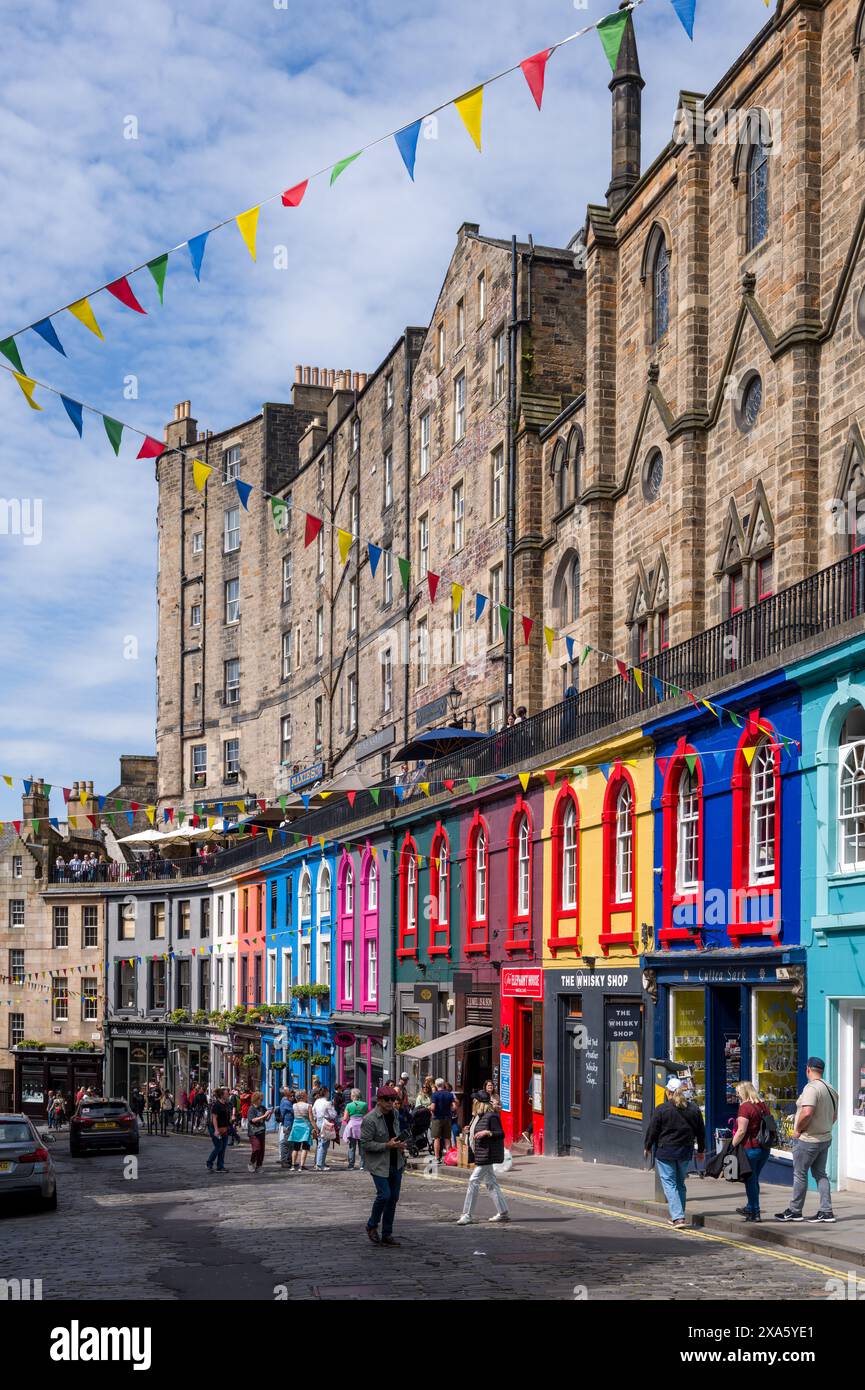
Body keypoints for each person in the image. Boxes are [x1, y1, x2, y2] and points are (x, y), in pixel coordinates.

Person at [775, 1057, 839, 1224]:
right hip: (824, 1138)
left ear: (808, 1069)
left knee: (800, 1174)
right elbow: (834, 1116)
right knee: (820, 1174)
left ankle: (795, 1211)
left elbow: (807, 1112)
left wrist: (798, 1130)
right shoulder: (831, 1088)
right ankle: (826, 1211)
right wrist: (822, 1127)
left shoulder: (811, 1088)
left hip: (808, 1139)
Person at [643, 1077, 706, 1228]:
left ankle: (678, 1217)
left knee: (670, 1184)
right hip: (685, 1151)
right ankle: (678, 1215)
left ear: (668, 1092)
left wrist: (647, 1146)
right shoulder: (693, 1109)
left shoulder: (662, 1109)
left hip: (666, 1152)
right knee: (680, 1183)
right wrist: (701, 1150)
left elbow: (653, 1130)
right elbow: (701, 1132)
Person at [360, 1086, 406, 1246]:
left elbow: (396, 1134)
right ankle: (372, 1225)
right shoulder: (370, 1119)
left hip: (396, 1161)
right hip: (379, 1164)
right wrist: (386, 1145)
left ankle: (387, 1234)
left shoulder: (394, 1114)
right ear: (379, 1101)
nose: (391, 1103)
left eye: (393, 1100)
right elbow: (365, 1144)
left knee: (393, 1198)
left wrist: (400, 1144)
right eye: (388, 1100)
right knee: (384, 1195)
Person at [457, 1095, 510, 1225]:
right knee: (491, 1183)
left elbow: (501, 1133)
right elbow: (475, 1132)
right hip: (481, 1153)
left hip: (487, 1154)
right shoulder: (478, 1116)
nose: (473, 1103)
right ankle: (503, 1212)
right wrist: (468, 1131)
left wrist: (487, 1132)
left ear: (480, 1103)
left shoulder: (491, 1116)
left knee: (473, 1180)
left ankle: (467, 1215)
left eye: (475, 1101)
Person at [730, 1081, 772, 1222]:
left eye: (737, 1093)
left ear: (743, 1092)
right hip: (764, 1149)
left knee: (750, 1180)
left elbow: (741, 1131)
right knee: (754, 1180)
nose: (737, 1096)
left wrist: (731, 1146)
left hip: (750, 1149)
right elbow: (771, 1127)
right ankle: (750, 1207)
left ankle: (755, 1211)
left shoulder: (745, 1107)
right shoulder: (763, 1106)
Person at [430, 1077, 456, 1164]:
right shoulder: (449, 1094)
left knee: (437, 1138)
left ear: (436, 1085)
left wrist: (429, 1108)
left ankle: (437, 1158)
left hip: (437, 1118)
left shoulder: (435, 1095)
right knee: (447, 1138)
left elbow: (433, 1107)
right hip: (447, 1118)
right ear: (443, 1084)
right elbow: (454, 1107)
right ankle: (448, 1158)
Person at [287, 1090, 314, 1172]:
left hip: (296, 1127)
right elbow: (311, 1119)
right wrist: (316, 1128)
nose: (307, 1097)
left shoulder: (294, 1105)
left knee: (296, 1147)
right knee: (305, 1147)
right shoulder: (308, 1106)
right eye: (306, 1095)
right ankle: (301, 1166)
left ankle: (292, 1166)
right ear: (304, 1096)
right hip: (305, 1128)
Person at [246, 1092, 273, 1173]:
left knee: (261, 1150)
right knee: (256, 1149)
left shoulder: (262, 1108)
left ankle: (259, 1166)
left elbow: (266, 1120)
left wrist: (270, 1114)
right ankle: (251, 1163)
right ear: (256, 1099)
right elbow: (253, 1120)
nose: (261, 1101)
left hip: (261, 1131)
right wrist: (264, 1116)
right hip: (253, 1132)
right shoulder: (251, 1109)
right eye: (260, 1099)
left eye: (262, 1099)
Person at [312, 1087, 338, 1171]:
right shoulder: (328, 1103)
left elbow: (313, 1112)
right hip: (325, 1122)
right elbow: (333, 1115)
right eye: (328, 1092)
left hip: (318, 1122)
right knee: (324, 1144)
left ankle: (318, 1163)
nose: (329, 1093)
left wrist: (317, 1118)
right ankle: (320, 1165)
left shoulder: (317, 1101)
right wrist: (333, 1107)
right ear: (326, 1092)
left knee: (320, 1143)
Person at [343, 1088, 369, 1170]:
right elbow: (367, 1116)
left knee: (352, 1147)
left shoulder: (349, 1105)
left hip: (352, 1127)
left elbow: (345, 1118)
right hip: (362, 1127)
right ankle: (362, 1165)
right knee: (362, 1147)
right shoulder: (364, 1104)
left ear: (353, 1096)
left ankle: (351, 1165)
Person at [206, 1088, 230, 1172]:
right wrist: (216, 1130)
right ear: (222, 1095)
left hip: (224, 1129)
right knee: (218, 1147)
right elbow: (214, 1118)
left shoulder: (226, 1104)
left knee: (223, 1148)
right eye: (227, 1094)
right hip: (215, 1129)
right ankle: (209, 1163)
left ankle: (220, 1166)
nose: (228, 1095)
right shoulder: (217, 1105)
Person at [276, 1086, 295, 1167]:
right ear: (287, 1096)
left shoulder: (290, 1102)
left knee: (291, 1144)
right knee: (285, 1143)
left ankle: (289, 1160)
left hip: (291, 1124)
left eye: (294, 1096)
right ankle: (284, 1161)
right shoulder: (286, 1102)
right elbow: (294, 1111)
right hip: (287, 1125)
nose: (293, 1097)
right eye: (291, 1096)